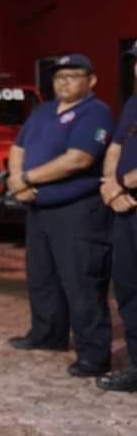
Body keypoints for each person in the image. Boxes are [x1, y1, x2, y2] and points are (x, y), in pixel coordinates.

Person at [6, 53, 115, 378]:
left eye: (73, 75)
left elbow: (79, 159)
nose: (64, 82)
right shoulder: (43, 111)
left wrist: (27, 179)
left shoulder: (96, 113)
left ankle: (93, 355)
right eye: (59, 77)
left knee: (81, 281)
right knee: (42, 277)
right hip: (39, 209)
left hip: (77, 212)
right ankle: (47, 335)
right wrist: (15, 180)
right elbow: (18, 148)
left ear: (91, 80)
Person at [97, 41, 137, 392]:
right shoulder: (133, 104)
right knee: (128, 290)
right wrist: (109, 185)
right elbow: (114, 148)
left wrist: (121, 183)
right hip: (125, 209)